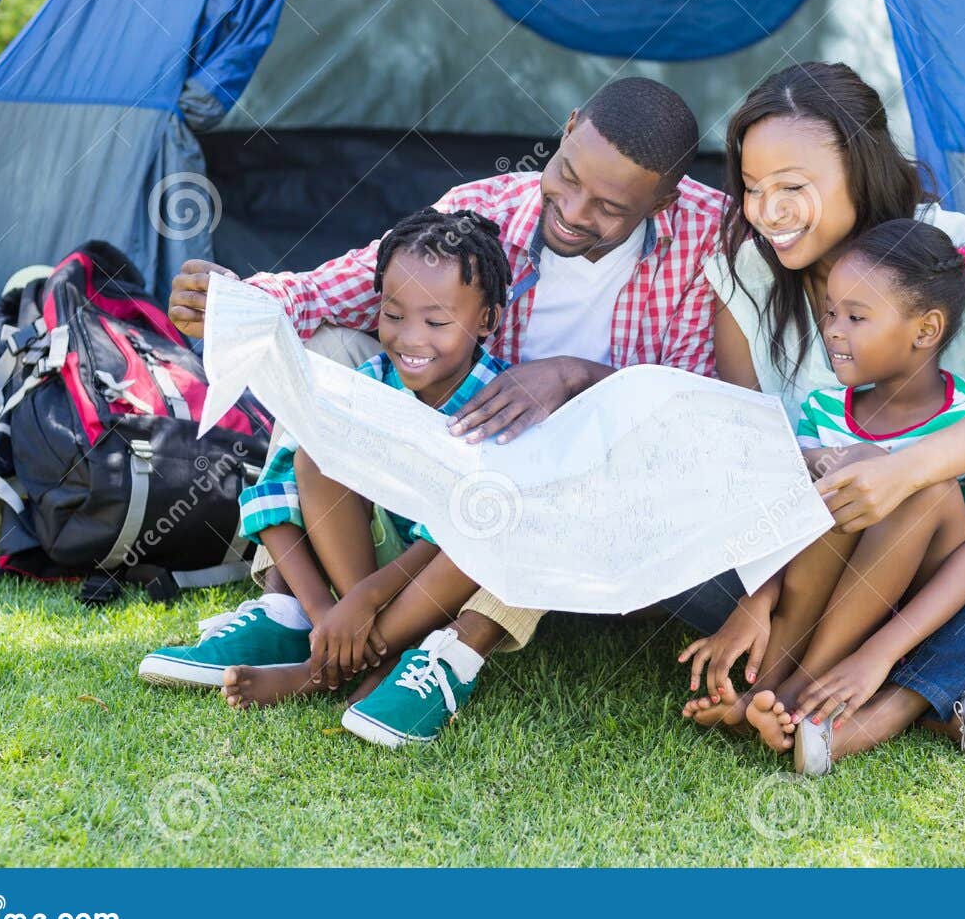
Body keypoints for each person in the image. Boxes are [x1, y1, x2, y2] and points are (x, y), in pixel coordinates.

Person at [138, 77, 728, 745]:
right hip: (441, 449)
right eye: (567, 175)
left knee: (547, 476)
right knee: (327, 349)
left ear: (662, 201)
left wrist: (569, 376)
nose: (571, 209)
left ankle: (434, 646)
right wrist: (242, 299)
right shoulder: (485, 209)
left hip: (559, 489)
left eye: (609, 207)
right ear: (566, 131)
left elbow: (683, 412)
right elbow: (342, 288)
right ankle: (299, 607)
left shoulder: (709, 238)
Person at [683, 61, 965, 766]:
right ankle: (952, 678)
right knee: (688, 574)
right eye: (752, 189)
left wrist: (901, 473)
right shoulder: (747, 277)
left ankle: (897, 699)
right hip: (823, 561)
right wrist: (762, 583)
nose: (767, 212)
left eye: (792, 188)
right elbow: (753, 454)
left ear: (863, 169)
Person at [137, 208, 511, 710]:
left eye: (437, 321)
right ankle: (343, 644)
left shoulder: (495, 406)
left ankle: (328, 670)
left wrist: (363, 603)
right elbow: (276, 493)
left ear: (486, 319)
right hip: (364, 561)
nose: (411, 338)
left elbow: (449, 535)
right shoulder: (369, 382)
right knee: (317, 453)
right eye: (394, 316)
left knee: (483, 527)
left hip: (445, 578)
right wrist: (325, 613)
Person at [684, 219, 965, 771]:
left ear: (927, 329)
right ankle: (772, 692)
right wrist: (758, 600)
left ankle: (798, 698)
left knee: (922, 489)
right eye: (832, 312)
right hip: (839, 594)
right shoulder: (822, 411)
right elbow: (792, 526)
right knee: (828, 496)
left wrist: (874, 655)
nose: (835, 329)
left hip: (929, 608)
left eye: (857, 317)